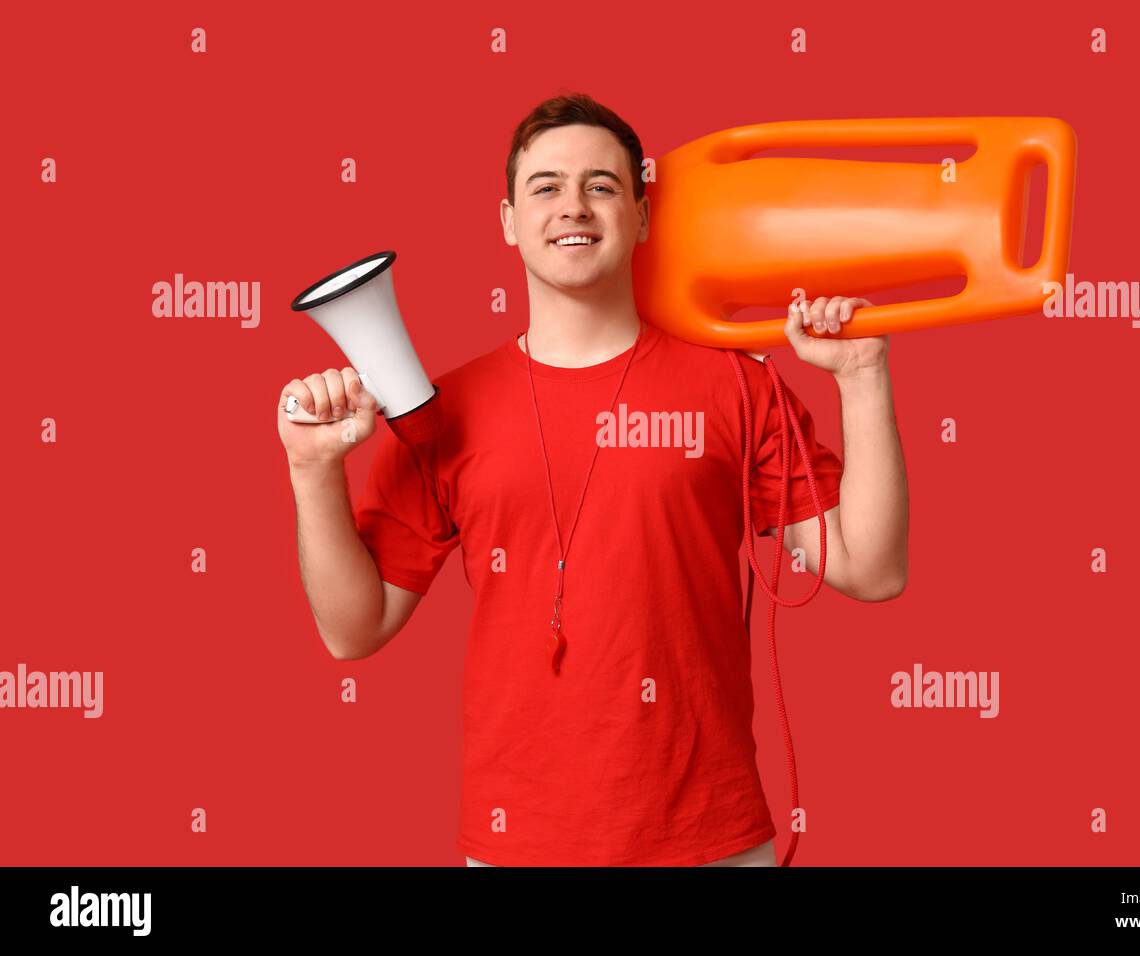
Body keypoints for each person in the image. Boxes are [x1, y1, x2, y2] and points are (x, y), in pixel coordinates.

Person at [278, 92, 909, 867]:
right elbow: (353, 630)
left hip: (710, 841)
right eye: (545, 186)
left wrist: (862, 377)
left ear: (642, 216)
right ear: (508, 220)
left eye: (602, 186)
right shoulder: (439, 415)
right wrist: (313, 473)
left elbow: (872, 571)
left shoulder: (738, 389)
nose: (572, 205)